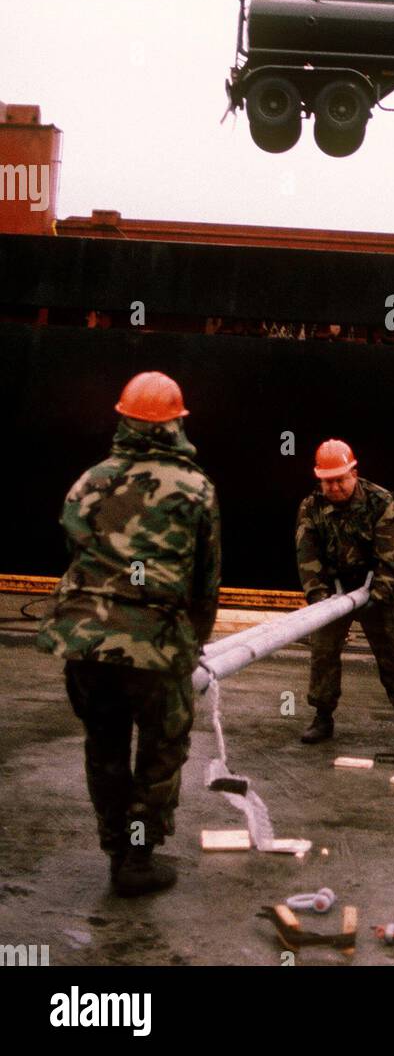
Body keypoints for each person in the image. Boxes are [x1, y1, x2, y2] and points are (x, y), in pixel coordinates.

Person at [36, 372, 221, 895]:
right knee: (162, 751)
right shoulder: (197, 488)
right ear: (176, 424)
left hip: (86, 645)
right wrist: (194, 643)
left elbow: (74, 550)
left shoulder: (89, 480)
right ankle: (138, 858)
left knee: (105, 746)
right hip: (155, 646)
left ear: (125, 419)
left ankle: (116, 850)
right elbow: (206, 580)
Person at [295, 439, 394, 746]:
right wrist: (319, 600)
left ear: (354, 473)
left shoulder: (380, 502)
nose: (334, 487)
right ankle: (322, 717)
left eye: (340, 480)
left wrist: (378, 598)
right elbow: (307, 558)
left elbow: (392, 556)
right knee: (323, 652)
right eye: (327, 482)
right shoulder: (310, 507)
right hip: (332, 592)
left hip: (376, 587)